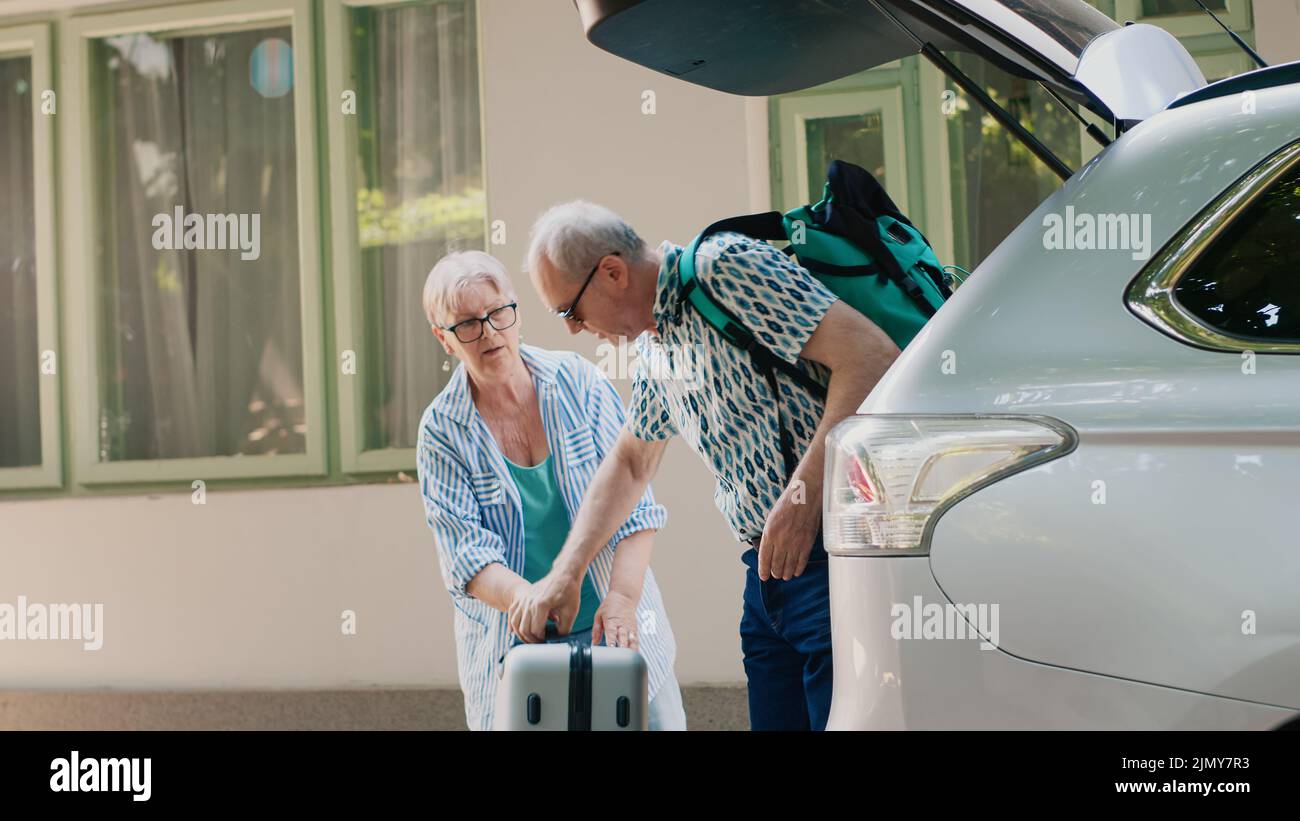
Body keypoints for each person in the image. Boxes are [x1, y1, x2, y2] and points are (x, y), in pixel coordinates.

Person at [518, 202, 899, 730]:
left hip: (831, 557)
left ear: (612, 272)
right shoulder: (655, 345)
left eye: (570, 312)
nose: (575, 332)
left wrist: (801, 500)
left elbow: (870, 356)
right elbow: (632, 462)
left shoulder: (725, 270)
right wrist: (567, 573)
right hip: (766, 576)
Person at [415, 250, 686, 731]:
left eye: (499, 312)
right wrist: (533, 599)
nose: (490, 332)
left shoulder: (577, 382)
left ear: (515, 309)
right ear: (443, 338)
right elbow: (468, 558)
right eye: (468, 324)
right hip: (518, 649)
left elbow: (637, 509)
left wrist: (622, 598)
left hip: (616, 622)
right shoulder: (441, 430)